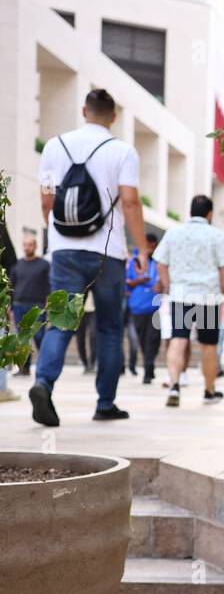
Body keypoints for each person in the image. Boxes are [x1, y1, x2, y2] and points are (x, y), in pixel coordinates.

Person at [30, 87, 146, 425]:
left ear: (84, 111)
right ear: (113, 117)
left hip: (65, 250)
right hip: (107, 253)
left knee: (61, 322)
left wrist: (56, 234)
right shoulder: (123, 151)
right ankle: (105, 404)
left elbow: (46, 200)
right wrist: (139, 250)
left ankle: (43, 383)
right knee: (109, 328)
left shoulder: (54, 146)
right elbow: (130, 202)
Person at [153, 194, 224, 406]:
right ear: (209, 213)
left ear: (190, 212)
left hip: (181, 295)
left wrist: (168, 286)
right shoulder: (217, 236)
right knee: (208, 345)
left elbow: (160, 262)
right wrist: (223, 292)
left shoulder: (174, 233)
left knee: (179, 339)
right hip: (208, 296)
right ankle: (209, 391)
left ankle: (174, 386)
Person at [9, 234, 51, 378]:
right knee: (22, 339)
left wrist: (49, 303)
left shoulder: (44, 265)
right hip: (19, 305)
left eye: (30, 245)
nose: (27, 247)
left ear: (35, 246)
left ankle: (45, 367)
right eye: (25, 245)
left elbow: (49, 285)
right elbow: (11, 286)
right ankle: (24, 368)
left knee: (39, 336)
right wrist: (10, 306)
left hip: (37, 306)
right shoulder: (17, 265)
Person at [125, 233, 161, 383]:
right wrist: (140, 280)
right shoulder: (134, 262)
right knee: (142, 339)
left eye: (153, 246)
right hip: (138, 306)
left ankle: (148, 367)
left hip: (155, 306)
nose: (151, 249)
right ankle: (149, 367)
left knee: (153, 339)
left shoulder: (159, 261)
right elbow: (127, 282)